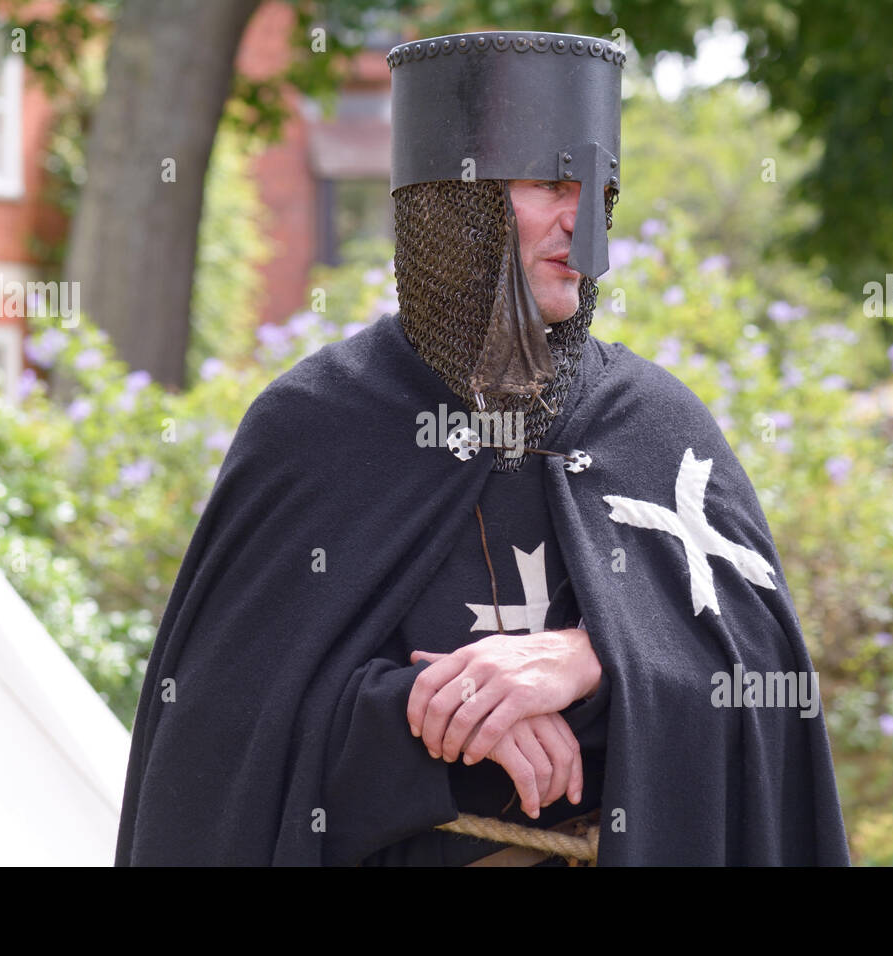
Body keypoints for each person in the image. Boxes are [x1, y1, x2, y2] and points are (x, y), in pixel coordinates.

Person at [114, 30, 852, 867]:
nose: (585, 225)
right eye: (549, 183)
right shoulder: (315, 430)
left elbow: (764, 687)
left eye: (600, 190)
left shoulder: (654, 427)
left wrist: (597, 656)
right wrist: (424, 717)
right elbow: (215, 735)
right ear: (448, 206)